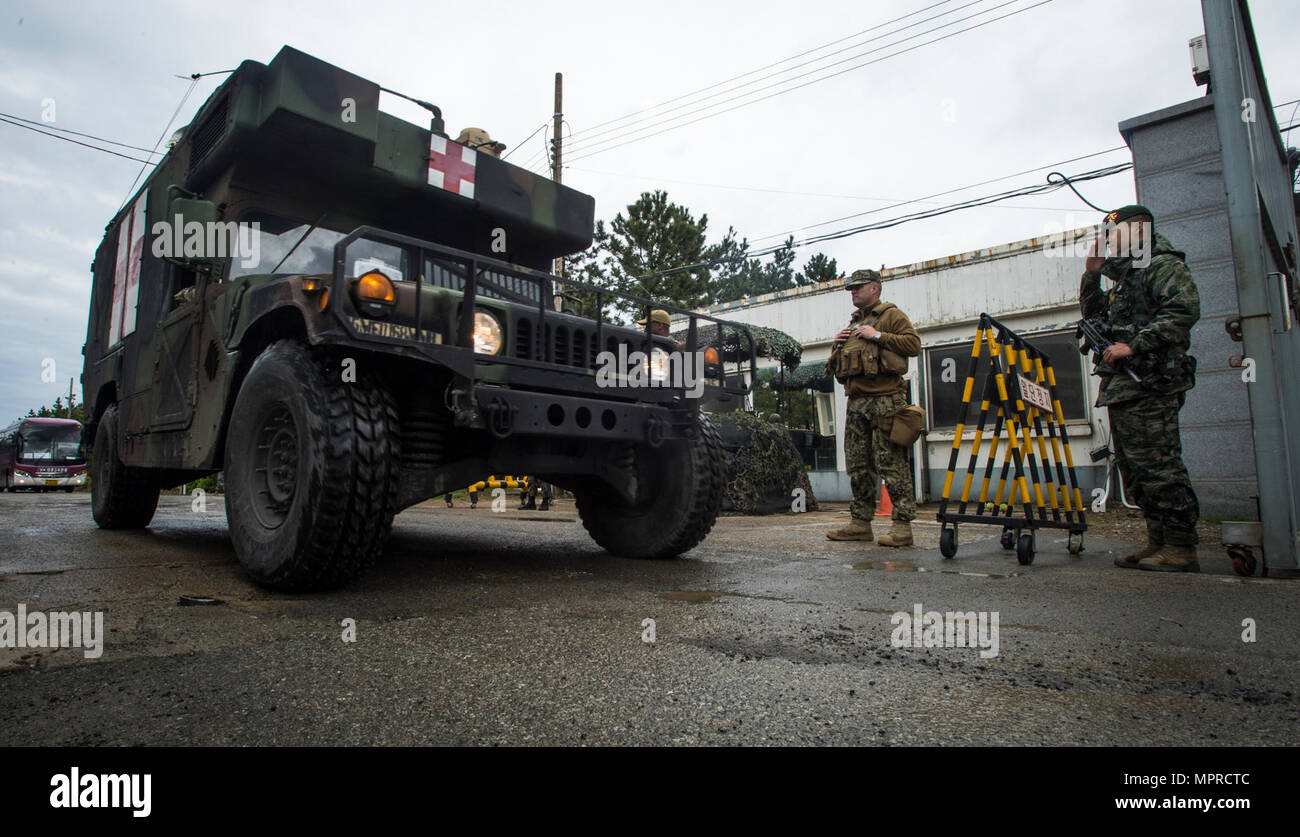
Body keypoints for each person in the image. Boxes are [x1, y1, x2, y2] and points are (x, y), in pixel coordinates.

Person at [1081, 205, 1201, 572]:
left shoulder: (1164, 266)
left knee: (1160, 466)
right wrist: (1091, 275)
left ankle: (1181, 547)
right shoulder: (1126, 278)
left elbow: (1184, 310)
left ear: (1139, 231)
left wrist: (1135, 345)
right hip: (1124, 388)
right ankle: (1158, 541)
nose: (1109, 241)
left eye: (1114, 234)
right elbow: (1094, 316)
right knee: (1135, 468)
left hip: (1149, 382)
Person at [825, 269, 921, 547]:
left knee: (891, 462)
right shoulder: (854, 323)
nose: (853, 292)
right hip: (857, 402)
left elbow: (913, 344)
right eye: (851, 289)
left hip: (885, 400)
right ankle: (860, 523)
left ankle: (902, 527)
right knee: (858, 464)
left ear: (875, 289)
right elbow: (836, 366)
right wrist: (837, 344)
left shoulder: (891, 315)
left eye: (858, 287)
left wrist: (878, 335)